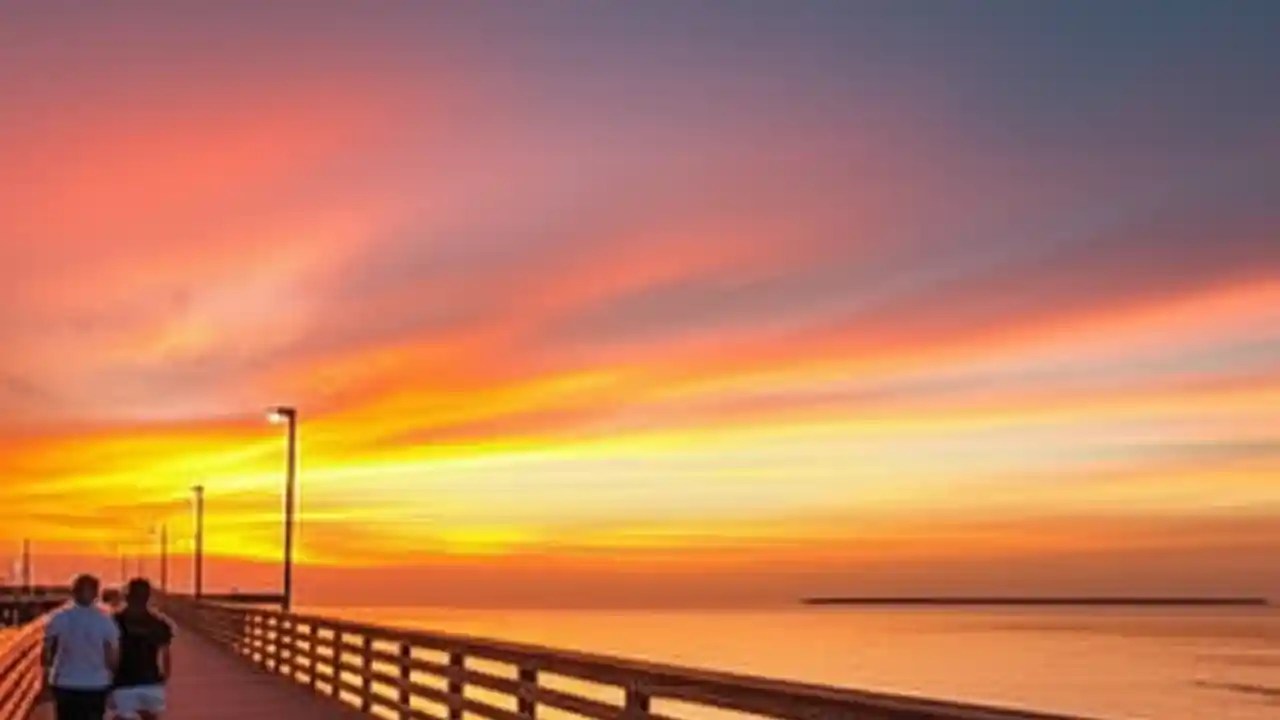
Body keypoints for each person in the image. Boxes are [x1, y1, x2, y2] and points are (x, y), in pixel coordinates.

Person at [43, 574, 120, 720]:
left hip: (65, 684)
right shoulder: (105, 621)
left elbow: (47, 653)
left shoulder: (58, 618)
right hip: (96, 684)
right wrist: (113, 680)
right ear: (96, 594)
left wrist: (46, 680)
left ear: (74, 592)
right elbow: (112, 658)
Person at [111, 578, 174, 720]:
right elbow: (166, 654)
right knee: (149, 716)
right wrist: (164, 676)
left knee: (123, 716)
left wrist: (109, 675)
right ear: (148, 598)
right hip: (151, 680)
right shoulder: (159, 624)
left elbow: (109, 653)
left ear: (127, 597)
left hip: (123, 681)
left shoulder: (114, 621)